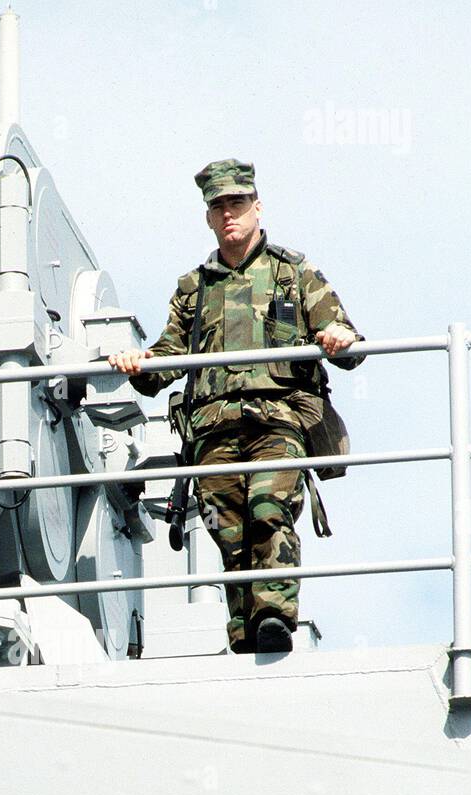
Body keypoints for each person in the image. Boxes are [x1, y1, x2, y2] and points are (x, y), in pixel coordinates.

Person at [111, 159, 363, 653]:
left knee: (268, 508)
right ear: (208, 216)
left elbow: (346, 339)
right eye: (218, 206)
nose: (229, 214)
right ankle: (244, 630)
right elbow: (167, 360)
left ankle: (274, 616)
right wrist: (137, 363)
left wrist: (338, 336)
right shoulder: (195, 286)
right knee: (229, 532)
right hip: (213, 427)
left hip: (279, 418)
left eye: (238, 204)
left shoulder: (294, 270)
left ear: (257, 207)